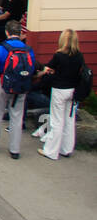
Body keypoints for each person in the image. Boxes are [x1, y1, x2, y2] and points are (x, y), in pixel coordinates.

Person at [0, 21, 35, 159]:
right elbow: (32, 68)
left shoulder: (1, 49)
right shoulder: (28, 50)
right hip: (21, 86)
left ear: (7, 32)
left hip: (1, 83)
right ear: (20, 33)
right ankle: (14, 149)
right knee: (17, 116)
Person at [36, 29, 87, 160]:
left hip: (60, 90)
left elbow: (49, 68)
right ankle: (66, 148)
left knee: (57, 121)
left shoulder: (59, 55)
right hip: (73, 91)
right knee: (69, 119)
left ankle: (51, 151)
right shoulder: (79, 56)